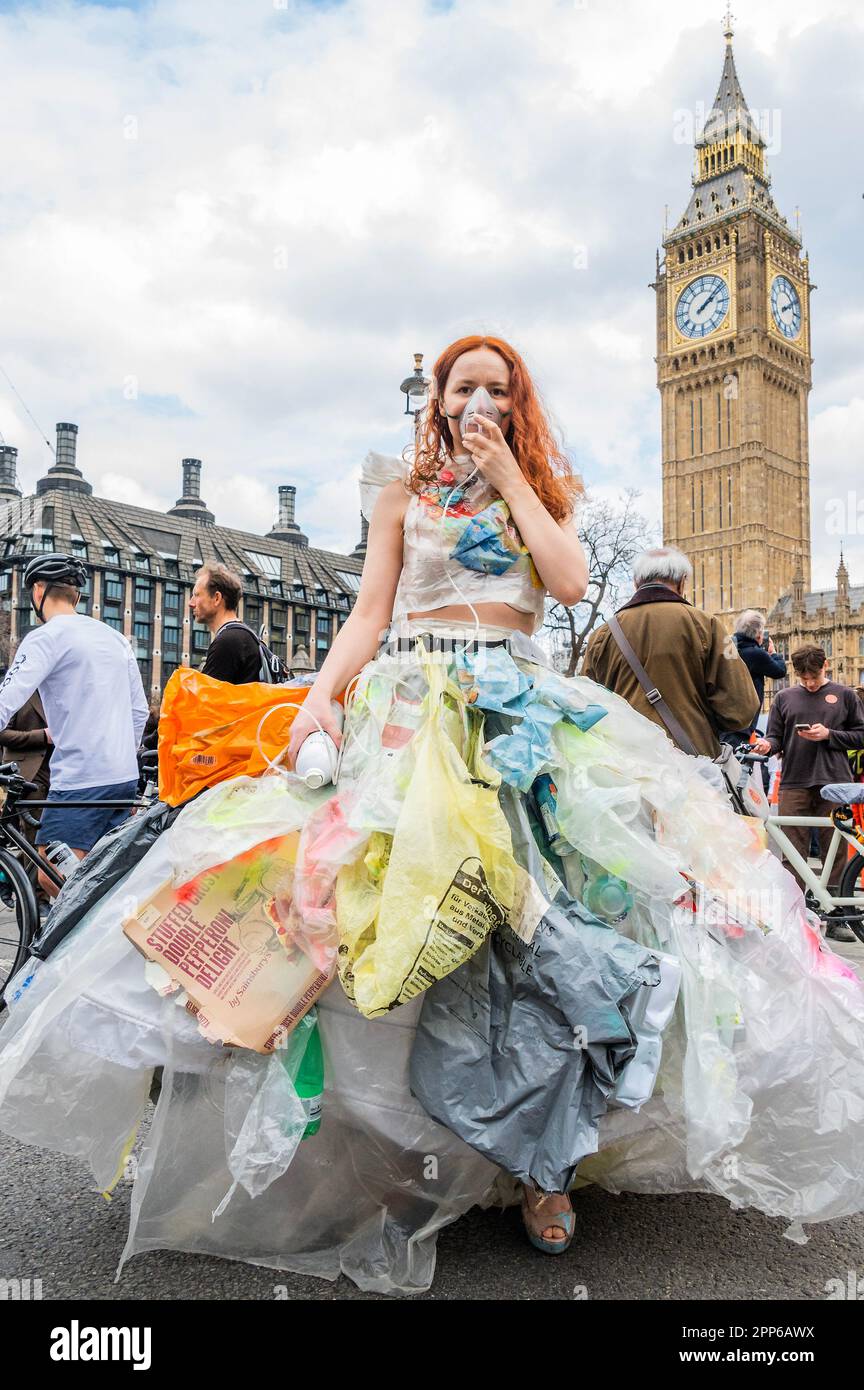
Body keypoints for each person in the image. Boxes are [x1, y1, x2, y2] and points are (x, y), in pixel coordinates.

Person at [1, 339, 864, 1294]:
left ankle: (547, 1163)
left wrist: (510, 477)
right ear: (440, 402)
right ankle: (401, 1153)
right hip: (409, 714)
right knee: (371, 917)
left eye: (500, 388)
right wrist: (324, 695)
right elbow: (370, 613)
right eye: (466, 387)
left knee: (556, 934)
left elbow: (571, 584)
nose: (481, 399)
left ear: (517, 404)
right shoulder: (396, 494)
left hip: (522, 725)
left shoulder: (536, 489)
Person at [0, 554, 148, 896]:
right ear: (76, 596)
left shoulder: (45, 637)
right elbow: (138, 711)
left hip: (81, 779)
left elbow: (7, 698)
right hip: (123, 778)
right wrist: (122, 756)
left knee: (51, 875)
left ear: (38, 591)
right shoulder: (114, 638)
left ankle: (87, 942)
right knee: (100, 874)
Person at [581, 548, 758, 758]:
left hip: (625, 770)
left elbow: (586, 709)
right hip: (692, 766)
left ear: (636, 583)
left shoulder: (602, 635)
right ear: (683, 582)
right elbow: (741, 709)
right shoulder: (706, 626)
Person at [753, 644, 864, 941]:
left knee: (835, 849)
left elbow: (861, 735)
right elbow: (776, 736)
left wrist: (829, 735)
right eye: (803, 679)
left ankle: (838, 917)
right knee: (792, 851)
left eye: (813, 677)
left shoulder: (845, 695)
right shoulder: (784, 697)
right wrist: (767, 746)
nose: (809, 683)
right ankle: (794, 914)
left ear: (825, 666)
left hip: (836, 783)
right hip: (794, 781)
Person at [190, 564, 264, 685]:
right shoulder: (245, 637)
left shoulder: (228, 642)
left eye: (197, 595)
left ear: (217, 598)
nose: (191, 603)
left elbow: (206, 700)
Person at [726, 609, 787, 747]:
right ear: (758, 634)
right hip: (743, 723)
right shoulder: (754, 654)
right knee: (739, 762)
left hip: (724, 718)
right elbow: (780, 671)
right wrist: (773, 652)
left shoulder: (727, 649)